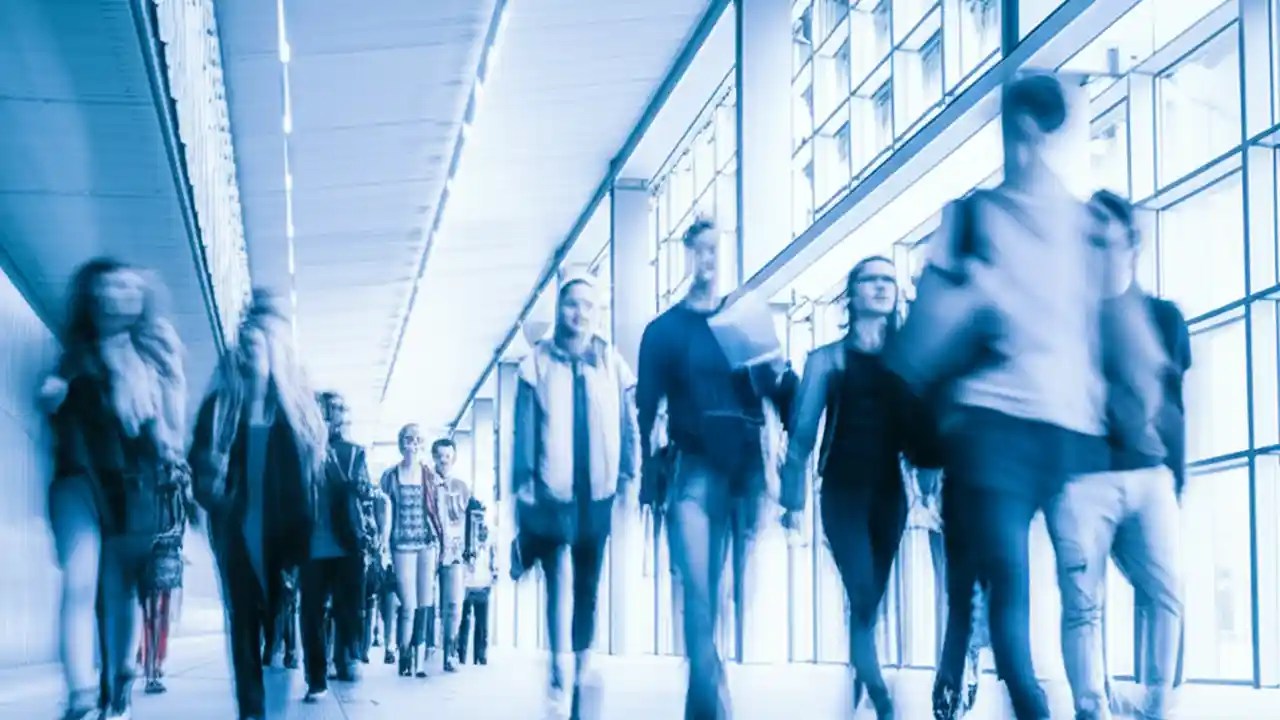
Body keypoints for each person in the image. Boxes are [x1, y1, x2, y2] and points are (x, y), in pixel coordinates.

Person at [902, 74, 1167, 720]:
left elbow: (919, 345)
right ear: (1055, 128)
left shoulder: (969, 220)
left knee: (1012, 606)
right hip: (1073, 439)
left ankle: (1034, 706)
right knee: (1069, 600)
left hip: (995, 436)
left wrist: (967, 308)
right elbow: (1131, 338)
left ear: (1014, 125)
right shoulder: (1090, 226)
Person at [636, 220, 794, 720]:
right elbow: (645, 410)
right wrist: (645, 474)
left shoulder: (741, 319)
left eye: (715, 250)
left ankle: (705, 690)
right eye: (699, 250)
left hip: (745, 475)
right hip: (692, 472)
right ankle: (708, 701)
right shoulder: (664, 332)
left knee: (724, 595)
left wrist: (781, 373)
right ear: (685, 255)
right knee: (700, 593)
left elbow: (780, 393)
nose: (708, 260)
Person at [1045, 190, 1187, 720]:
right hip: (1079, 480)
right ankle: (1092, 710)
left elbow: (1174, 406)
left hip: (1150, 476)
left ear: (1132, 240)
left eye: (1105, 233)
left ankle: (1155, 707)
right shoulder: (1062, 318)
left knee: (1167, 593)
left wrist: (1177, 478)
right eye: (1086, 236)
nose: (1095, 244)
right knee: (1083, 607)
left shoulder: (1163, 317)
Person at [781, 256, 933, 719]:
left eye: (890, 279)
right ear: (853, 293)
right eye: (872, 279)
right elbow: (802, 434)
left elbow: (923, 432)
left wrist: (930, 487)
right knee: (864, 593)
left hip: (890, 497)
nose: (883, 286)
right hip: (842, 495)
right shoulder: (826, 359)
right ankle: (882, 699)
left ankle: (859, 678)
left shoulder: (907, 360)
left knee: (869, 602)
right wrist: (792, 501)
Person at [45, 258, 189, 720]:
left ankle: (118, 687)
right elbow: (54, 401)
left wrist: (173, 384)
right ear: (91, 297)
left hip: (133, 492)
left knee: (120, 592)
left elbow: (171, 436)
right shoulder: (75, 357)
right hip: (78, 483)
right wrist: (52, 394)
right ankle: (80, 696)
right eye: (107, 288)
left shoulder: (151, 360)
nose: (116, 296)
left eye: (128, 287)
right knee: (80, 580)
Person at [190, 289, 329, 720]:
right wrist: (211, 492)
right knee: (243, 618)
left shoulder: (294, 410)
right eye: (245, 342)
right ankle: (251, 710)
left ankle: (276, 683)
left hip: (284, 535)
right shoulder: (221, 406)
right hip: (234, 529)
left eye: (259, 342)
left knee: (275, 617)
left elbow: (311, 481)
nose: (249, 349)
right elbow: (198, 461)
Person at [512, 272, 639, 717]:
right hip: (552, 492)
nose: (579, 312)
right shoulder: (537, 363)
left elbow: (628, 422)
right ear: (558, 309)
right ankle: (557, 660)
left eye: (587, 304)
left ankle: (583, 663)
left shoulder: (611, 361)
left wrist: (629, 475)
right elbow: (524, 425)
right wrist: (523, 482)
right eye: (572, 304)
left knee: (587, 582)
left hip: (598, 493)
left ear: (597, 311)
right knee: (558, 579)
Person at [299, 391, 372, 701]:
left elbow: (365, 491)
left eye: (333, 412)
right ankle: (316, 677)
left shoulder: (353, 452)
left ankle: (346, 658)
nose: (327, 417)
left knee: (348, 609)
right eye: (322, 411)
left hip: (347, 542)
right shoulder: (301, 451)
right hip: (310, 544)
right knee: (310, 613)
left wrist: (350, 479)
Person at [379, 423, 445, 677]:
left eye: (418, 439)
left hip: (426, 544)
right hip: (401, 544)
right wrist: (383, 548)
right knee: (408, 604)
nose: (413, 444)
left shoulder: (430, 476)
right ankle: (403, 654)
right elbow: (385, 516)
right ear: (400, 442)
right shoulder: (390, 476)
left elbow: (436, 512)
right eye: (409, 438)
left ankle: (418, 662)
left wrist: (443, 544)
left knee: (424, 604)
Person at [430, 438, 472, 673]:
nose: (444, 460)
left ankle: (450, 652)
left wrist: (470, 552)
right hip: (429, 549)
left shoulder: (462, 487)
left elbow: (471, 521)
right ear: (433, 457)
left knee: (454, 604)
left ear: (453, 458)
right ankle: (420, 651)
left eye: (448, 456)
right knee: (426, 603)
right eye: (440, 455)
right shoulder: (425, 483)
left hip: (454, 553)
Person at [459, 498, 497, 666]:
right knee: (465, 622)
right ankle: (462, 654)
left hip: (481, 583)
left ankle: (480, 656)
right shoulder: (464, 534)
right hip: (468, 584)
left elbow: (494, 558)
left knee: (481, 624)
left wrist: (494, 575)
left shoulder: (488, 535)